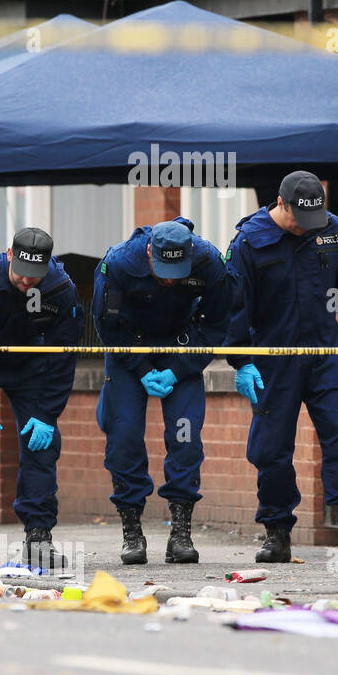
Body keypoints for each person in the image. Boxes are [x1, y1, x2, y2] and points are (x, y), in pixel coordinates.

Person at [225, 170, 338, 563]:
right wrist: (241, 361)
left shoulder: (329, 229)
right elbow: (234, 309)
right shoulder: (249, 241)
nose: (305, 227)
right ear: (281, 204)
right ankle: (277, 532)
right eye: (299, 218)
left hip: (325, 354)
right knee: (272, 448)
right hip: (273, 362)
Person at [93, 219, 232, 564]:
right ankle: (132, 530)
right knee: (123, 433)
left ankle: (180, 531)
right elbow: (106, 326)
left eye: (177, 271)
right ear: (150, 252)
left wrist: (179, 367)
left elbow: (216, 324)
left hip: (181, 350)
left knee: (185, 436)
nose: (170, 279)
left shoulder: (209, 262)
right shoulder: (119, 263)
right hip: (129, 351)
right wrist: (141, 368)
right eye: (163, 269)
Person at [0, 227, 81, 570]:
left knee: (41, 448)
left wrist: (49, 413)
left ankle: (38, 539)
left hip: (32, 368)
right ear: (10, 254)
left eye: (35, 276)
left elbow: (64, 355)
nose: (27, 282)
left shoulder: (60, 289)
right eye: (21, 273)